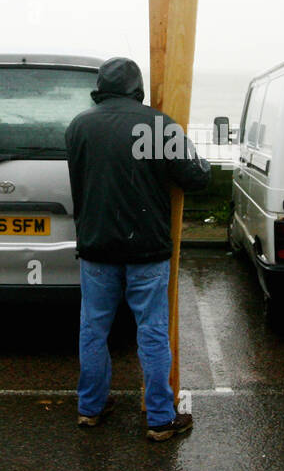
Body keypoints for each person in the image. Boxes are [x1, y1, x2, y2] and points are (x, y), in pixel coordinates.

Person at [64, 58, 212, 441]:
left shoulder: (79, 126)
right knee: (151, 331)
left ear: (100, 86)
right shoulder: (156, 125)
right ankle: (160, 418)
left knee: (93, 329)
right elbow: (195, 176)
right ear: (137, 87)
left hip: (97, 246)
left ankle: (91, 408)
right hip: (147, 248)